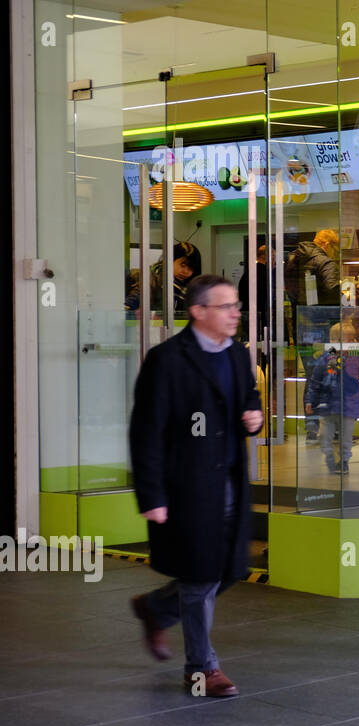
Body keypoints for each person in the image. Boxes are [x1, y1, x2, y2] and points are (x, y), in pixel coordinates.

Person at [127, 274, 264, 698]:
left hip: (230, 482)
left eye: (237, 305)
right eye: (226, 307)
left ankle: (157, 608)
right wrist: (152, 496)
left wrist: (254, 414)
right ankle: (202, 669)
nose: (236, 313)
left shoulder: (238, 355)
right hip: (186, 486)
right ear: (199, 312)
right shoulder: (168, 360)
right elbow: (146, 431)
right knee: (202, 576)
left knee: (229, 570)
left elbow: (249, 396)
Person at [286, 230, 342, 442]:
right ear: (327, 244)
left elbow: (291, 292)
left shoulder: (293, 260)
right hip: (324, 329)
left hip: (302, 327)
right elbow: (332, 290)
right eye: (334, 248)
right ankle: (334, 430)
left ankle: (311, 429)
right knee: (331, 375)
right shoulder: (324, 262)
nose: (333, 252)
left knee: (311, 378)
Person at [304, 321, 359, 475]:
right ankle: (330, 456)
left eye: (351, 339)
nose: (350, 343)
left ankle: (344, 461)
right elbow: (316, 380)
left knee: (346, 438)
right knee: (324, 436)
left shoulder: (355, 356)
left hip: (348, 404)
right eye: (346, 339)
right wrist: (310, 400)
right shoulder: (327, 357)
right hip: (328, 404)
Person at [125, 241, 202, 317]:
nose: (185, 271)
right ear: (170, 260)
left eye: (191, 268)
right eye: (182, 265)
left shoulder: (188, 290)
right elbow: (128, 310)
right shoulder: (146, 278)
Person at [237, 243, 270, 344]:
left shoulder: (248, 272)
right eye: (273, 257)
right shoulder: (266, 274)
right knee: (258, 344)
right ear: (266, 256)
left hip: (247, 313)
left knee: (247, 342)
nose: (275, 261)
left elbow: (241, 293)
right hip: (259, 316)